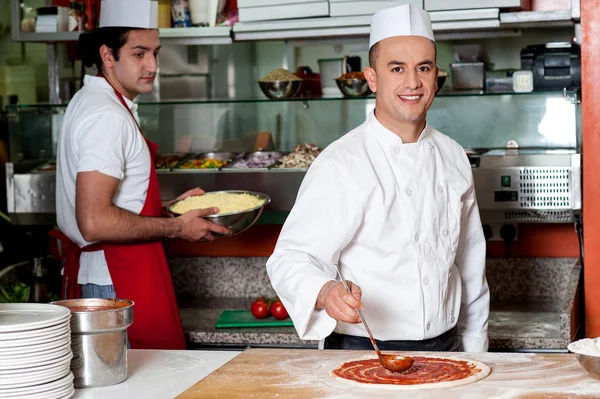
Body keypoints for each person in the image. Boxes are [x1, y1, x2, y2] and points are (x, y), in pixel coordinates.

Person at [266, 4, 489, 352]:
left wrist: (476, 347)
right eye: (397, 68)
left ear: (436, 75)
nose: (412, 82)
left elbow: (471, 263)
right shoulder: (342, 162)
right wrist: (325, 292)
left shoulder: (453, 156)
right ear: (372, 78)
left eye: (423, 68)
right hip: (365, 349)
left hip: (447, 348)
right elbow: (290, 258)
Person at [52, 0, 231, 350]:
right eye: (138, 54)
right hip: (116, 282)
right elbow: (94, 220)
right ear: (108, 55)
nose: (152, 65)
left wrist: (166, 208)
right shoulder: (107, 116)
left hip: (115, 274)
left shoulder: (93, 101)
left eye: (156, 53)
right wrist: (178, 227)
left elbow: (111, 203)